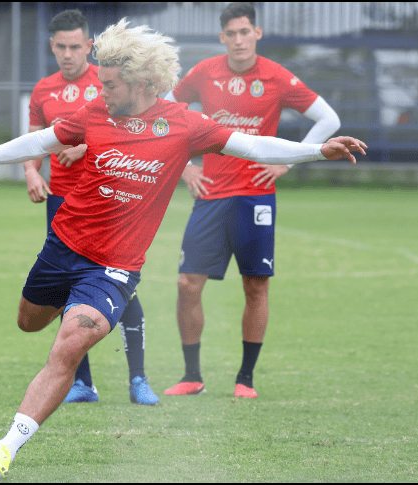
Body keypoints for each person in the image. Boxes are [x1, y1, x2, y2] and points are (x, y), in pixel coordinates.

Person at [0, 18, 365, 481]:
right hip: (62, 247)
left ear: (142, 83)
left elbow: (254, 146)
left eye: (109, 85)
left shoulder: (184, 124)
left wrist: (316, 151)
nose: (100, 91)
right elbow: (40, 140)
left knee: (70, 344)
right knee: (29, 322)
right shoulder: (94, 114)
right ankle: (73, 305)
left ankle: (6, 447)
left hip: (114, 267)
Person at [161, 2, 342, 400]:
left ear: (257, 33)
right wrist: (184, 166)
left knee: (255, 286)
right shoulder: (204, 72)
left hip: (255, 196)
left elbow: (329, 120)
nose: (239, 40)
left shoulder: (276, 76)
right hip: (211, 195)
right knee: (187, 283)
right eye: (231, 34)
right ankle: (192, 376)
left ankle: (245, 378)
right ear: (222, 37)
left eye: (245, 32)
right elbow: (165, 112)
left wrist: (287, 163)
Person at [24, 9, 158, 406]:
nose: (68, 54)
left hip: (109, 202)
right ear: (52, 46)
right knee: (66, 289)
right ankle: (82, 383)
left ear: (89, 46)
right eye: (60, 47)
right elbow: (35, 140)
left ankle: (138, 379)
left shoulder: (110, 82)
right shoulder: (43, 90)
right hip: (62, 203)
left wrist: (85, 146)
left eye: (75, 47)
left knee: (122, 289)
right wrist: (31, 172)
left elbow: (131, 129)